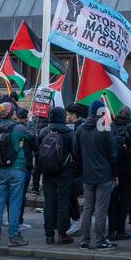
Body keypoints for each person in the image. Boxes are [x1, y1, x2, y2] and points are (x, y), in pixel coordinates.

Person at [74, 101, 118, 250]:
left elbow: (76, 153)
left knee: (87, 208)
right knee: (100, 209)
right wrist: (115, 173)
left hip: (87, 175)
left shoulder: (80, 129)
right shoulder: (105, 127)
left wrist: (82, 170)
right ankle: (100, 241)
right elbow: (113, 154)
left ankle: (84, 240)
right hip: (104, 175)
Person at [0, 102, 29, 247]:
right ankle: (14, 236)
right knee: (14, 203)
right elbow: (33, 140)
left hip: (0, 168)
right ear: (12, 114)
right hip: (16, 168)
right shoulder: (19, 128)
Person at [34, 105, 76, 245]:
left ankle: (49, 235)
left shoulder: (44, 131)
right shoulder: (69, 133)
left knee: (49, 204)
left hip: (48, 173)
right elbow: (75, 153)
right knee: (63, 203)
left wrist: (36, 177)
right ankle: (62, 234)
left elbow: (38, 154)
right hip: (65, 173)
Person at [108, 104, 131, 241]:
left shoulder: (112, 125)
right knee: (124, 200)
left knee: (113, 200)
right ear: (130, 115)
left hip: (113, 168)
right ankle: (120, 230)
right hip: (127, 168)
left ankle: (111, 231)